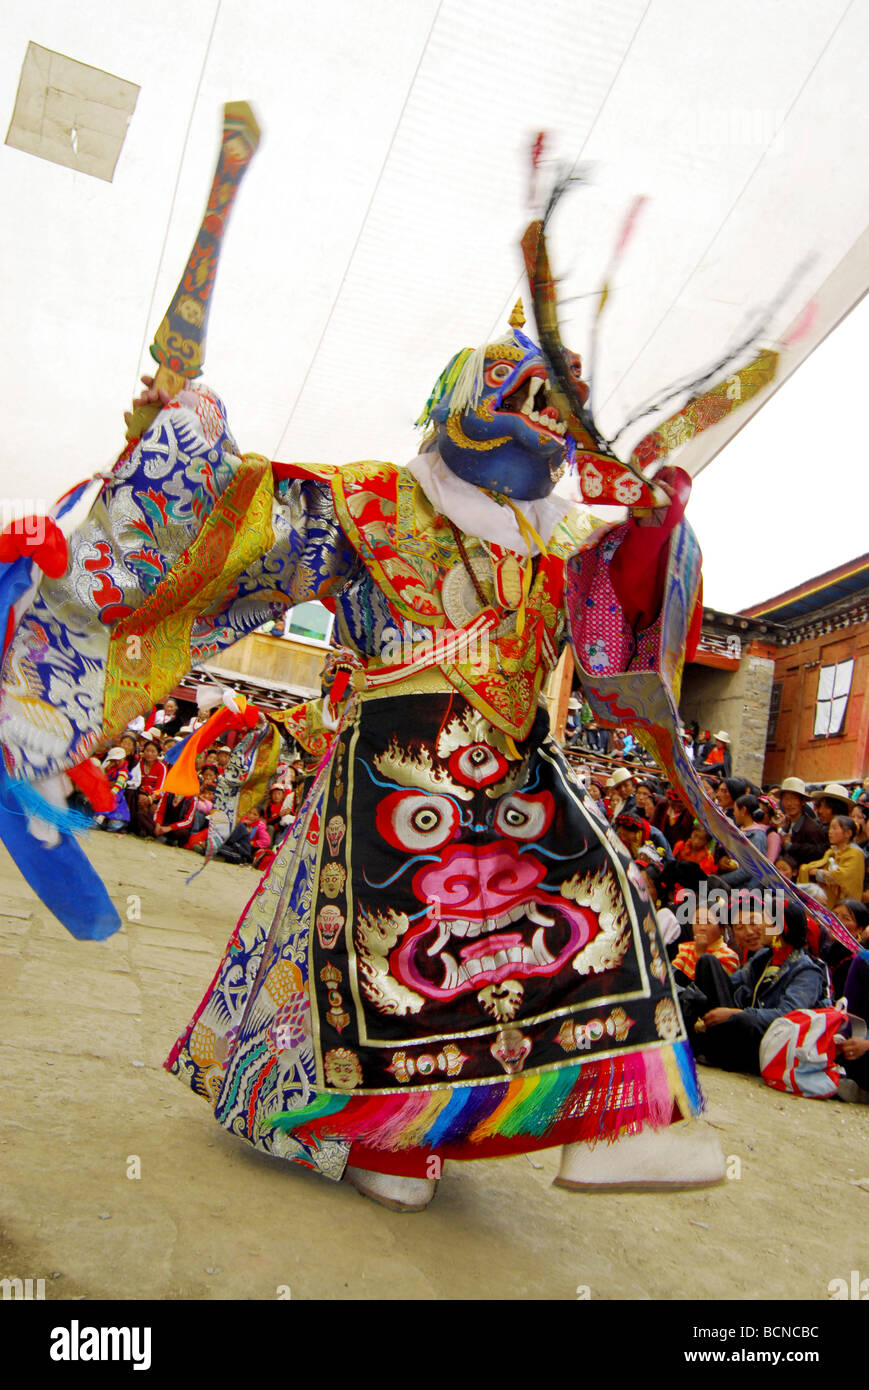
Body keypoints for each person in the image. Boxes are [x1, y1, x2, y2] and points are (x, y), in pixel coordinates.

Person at [682, 901, 830, 1074]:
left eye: (765, 921)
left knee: (745, 1021)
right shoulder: (764, 957)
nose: (759, 928)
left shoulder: (806, 970)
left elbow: (789, 1015)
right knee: (707, 963)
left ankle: (716, 1049)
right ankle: (712, 1046)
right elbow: (727, 984)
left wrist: (737, 1013)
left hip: (767, 1040)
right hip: (738, 1028)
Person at [798, 815, 865, 910]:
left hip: (844, 904)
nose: (830, 832)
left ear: (848, 833)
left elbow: (844, 877)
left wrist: (819, 873)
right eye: (830, 828)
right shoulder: (831, 852)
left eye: (834, 828)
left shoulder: (856, 853)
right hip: (828, 899)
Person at [672, 904, 739, 984]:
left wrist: (700, 954)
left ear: (721, 929)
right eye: (698, 922)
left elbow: (708, 987)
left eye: (708, 922)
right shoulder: (686, 948)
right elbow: (672, 975)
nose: (702, 927)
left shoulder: (728, 956)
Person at [777, 776, 827, 868]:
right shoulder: (787, 825)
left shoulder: (812, 828)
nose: (789, 803)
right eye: (786, 799)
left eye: (793, 798)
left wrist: (791, 846)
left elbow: (818, 853)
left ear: (802, 801)